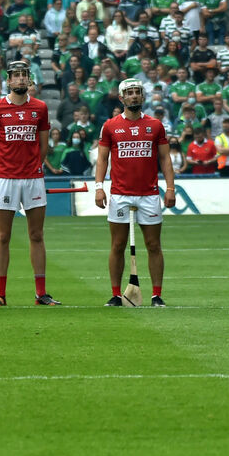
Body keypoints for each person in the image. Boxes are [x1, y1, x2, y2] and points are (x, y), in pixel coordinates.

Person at [0, 60, 60, 307]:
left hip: (33, 179)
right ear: (8, 80)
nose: (19, 79)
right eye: (15, 75)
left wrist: (35, 167)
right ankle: (0, 294)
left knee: (36, 235)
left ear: (30, 80)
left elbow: (44, 145)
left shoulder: (41, 108)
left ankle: (41, 293)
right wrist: (0, 174)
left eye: (24, 75)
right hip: (6, 179)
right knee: (3, 236)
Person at [94, 79, 177, 307]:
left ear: (143, 97)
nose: (133, 96)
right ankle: (115, 294)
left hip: (149, 194)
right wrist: (99, 187)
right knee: (117, 245)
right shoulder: (110, 126)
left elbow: (165, 159)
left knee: (153, 245)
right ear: (121, 98)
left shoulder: (156, 125)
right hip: (120, 194)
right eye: (129, 93)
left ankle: (156, 295)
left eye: (137, 92)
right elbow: (102, 159)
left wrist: (170, 188)